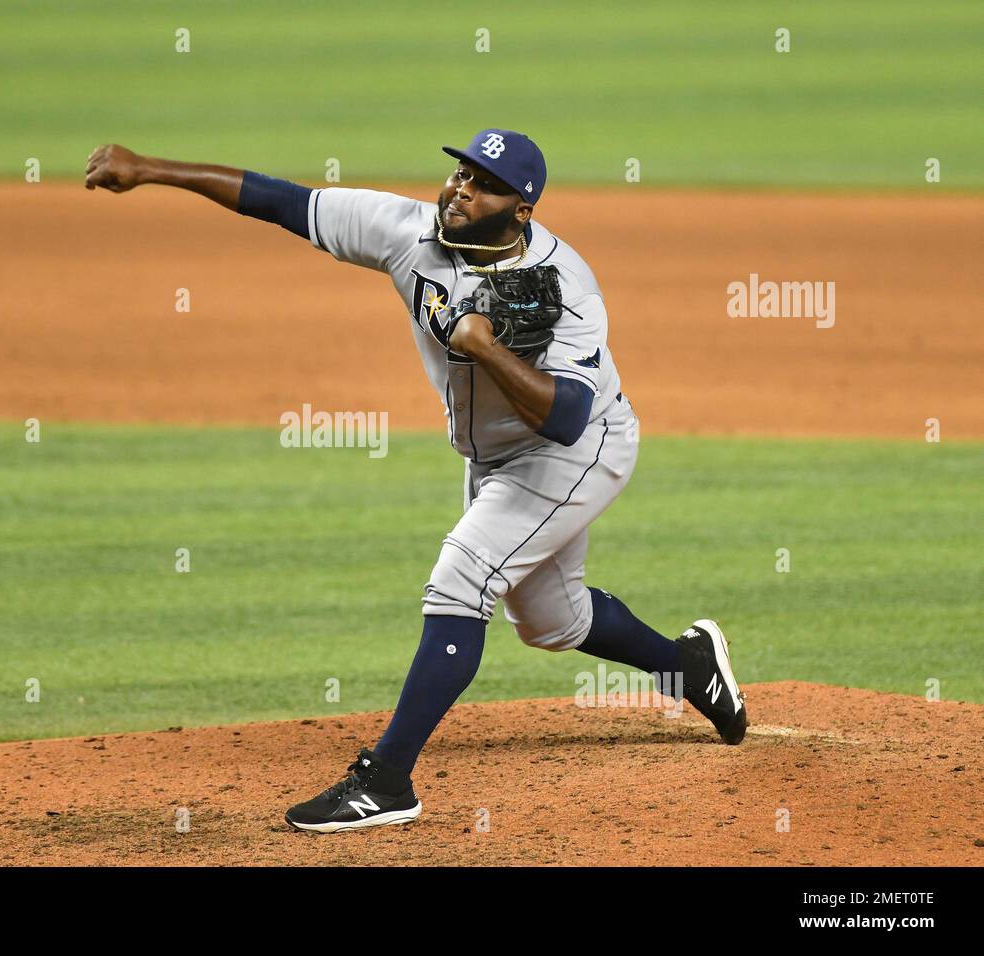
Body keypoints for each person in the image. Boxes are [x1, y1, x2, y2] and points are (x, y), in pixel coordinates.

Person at [85, 129, 747, 834]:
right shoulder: (408, 232)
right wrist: (153, 170)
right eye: (461, 172)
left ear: (520, 209)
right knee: (555, 623)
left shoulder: (565, 285)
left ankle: (387, 781)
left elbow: (567, 419)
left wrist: (487, 350)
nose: (461, 189)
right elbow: (284, 202)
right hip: (493, 456)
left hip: (580, 448)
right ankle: (692, 667)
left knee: (463, 576)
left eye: (485, 183)